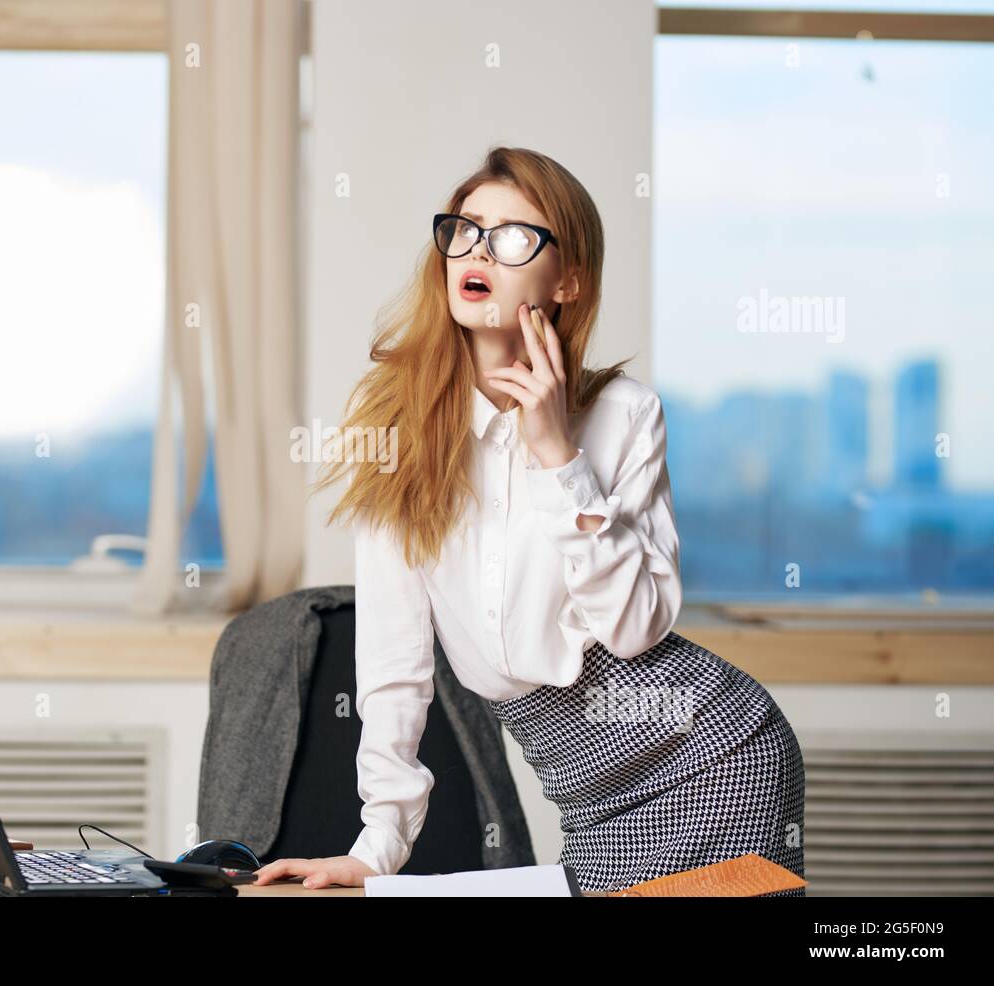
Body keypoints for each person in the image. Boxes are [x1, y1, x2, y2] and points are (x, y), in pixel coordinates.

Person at [252, 146, 805, 894]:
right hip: (585, 796)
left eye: (513, 237)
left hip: (715, 755)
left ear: (567, 279)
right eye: (467, 229)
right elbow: (393, 660)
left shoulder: (624, 416)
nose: (477, 250)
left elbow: (636, 627)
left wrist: (556, 454)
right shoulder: (392, 422)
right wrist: (375, 848)